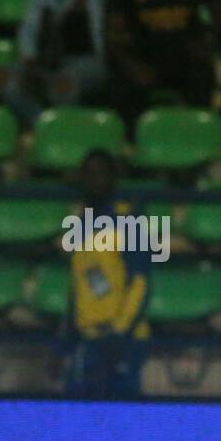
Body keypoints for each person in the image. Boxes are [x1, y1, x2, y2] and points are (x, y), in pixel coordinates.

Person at [105, 0, 221, 125]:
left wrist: (209, 40)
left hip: (185, 54)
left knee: (202, 73)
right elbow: (113, 30)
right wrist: (131, 64)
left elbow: (220, 15)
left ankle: (197, 132)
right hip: (143, 54)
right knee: (122, 83)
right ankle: (132, 142)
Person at [64, 149, 150, 397]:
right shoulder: (80, 221)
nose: (94, 180)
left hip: (124, 340)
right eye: (88, 174)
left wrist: (119, 333)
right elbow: (79, 283)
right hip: (88, 339)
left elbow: (140, 281)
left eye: (100, 174)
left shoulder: (129, 217)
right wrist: (67, 340)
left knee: (122, 417)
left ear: (113, 177)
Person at [1, 0, 110, 126]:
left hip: (91, 60)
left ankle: (60, 130)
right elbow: (31, 23)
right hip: (49, 57)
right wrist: (29, 59)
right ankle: (43, 125)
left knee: (64, 83)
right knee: (6, 80)